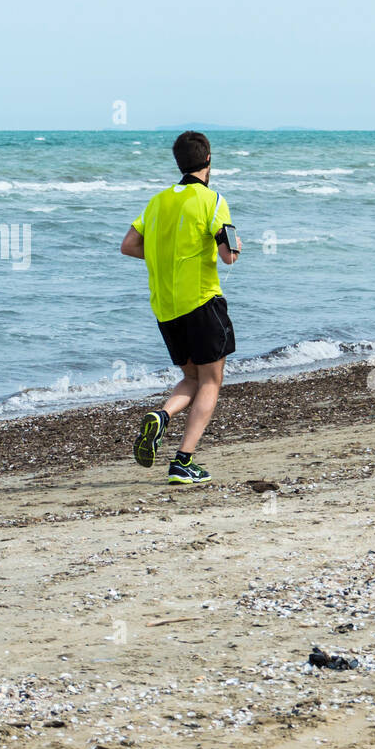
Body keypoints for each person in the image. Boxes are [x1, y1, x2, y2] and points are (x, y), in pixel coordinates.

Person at [120, 131, 241, 484]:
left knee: (191, 377)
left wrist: (168, 257)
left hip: (166, 309)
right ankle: (183, 460)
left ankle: (162, 415)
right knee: (211, 381)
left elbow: (129, 245)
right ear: (208, 161)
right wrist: (235, 246)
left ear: (179, 163)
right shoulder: (213, 200)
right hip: (202, 301)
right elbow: (228, 256)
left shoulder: (156, 202)